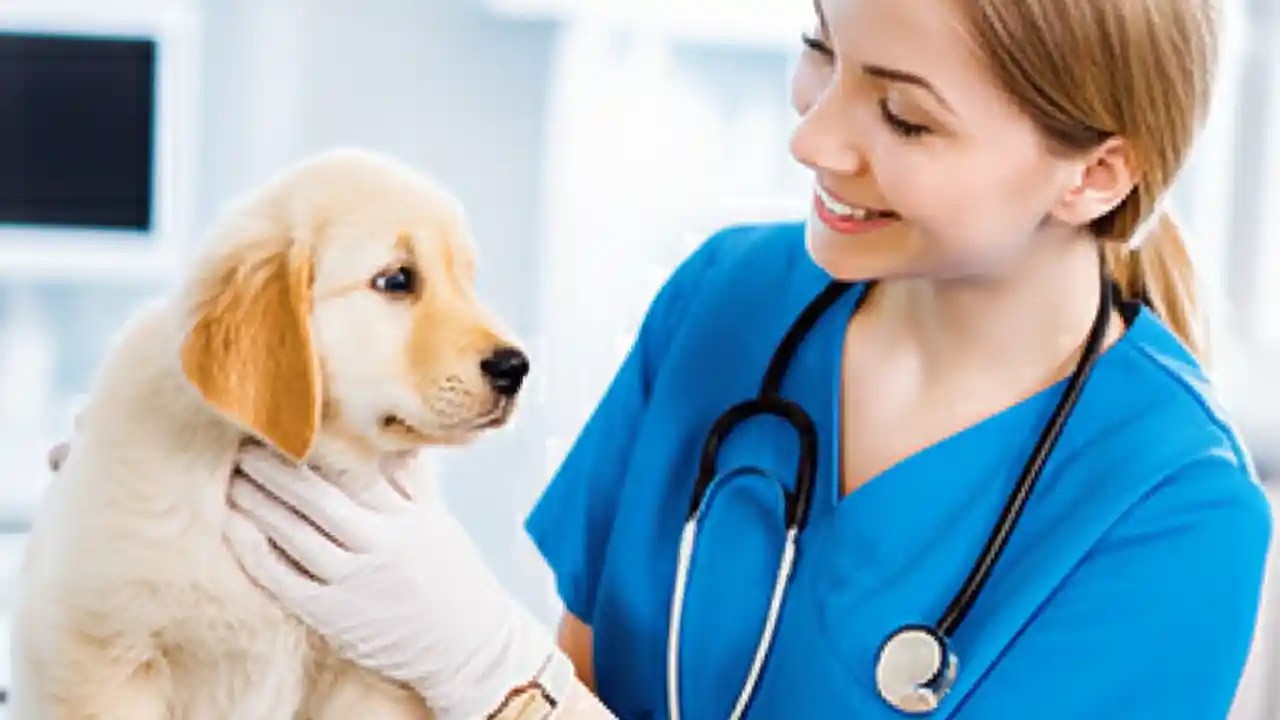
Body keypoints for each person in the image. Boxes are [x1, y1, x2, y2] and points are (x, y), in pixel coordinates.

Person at [46, 0, 1273, 717]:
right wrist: (190, 567)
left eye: (901, 114)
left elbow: (529, 690)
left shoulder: (1173, 519)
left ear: (1093, 172)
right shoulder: (727, 303)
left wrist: (491, 670)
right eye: (818, 48)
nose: (812, 135)